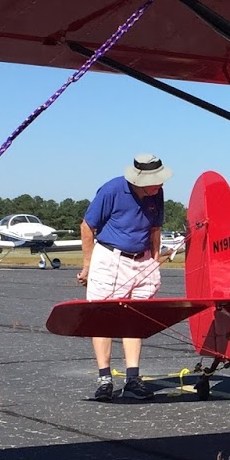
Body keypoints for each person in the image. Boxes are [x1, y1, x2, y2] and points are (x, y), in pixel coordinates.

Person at [78, 153, 173, 402]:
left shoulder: (156, 194)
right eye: (156, 180)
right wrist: (87, 265)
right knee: (102, 316)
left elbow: (155, 229)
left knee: (135, 317)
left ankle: (132, 379)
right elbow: (87, 227)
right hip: (110, 257)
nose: (160, 184)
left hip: (141, 260)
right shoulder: (112, 190)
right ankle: (105, 379)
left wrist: (153, 261)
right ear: (139, 180)